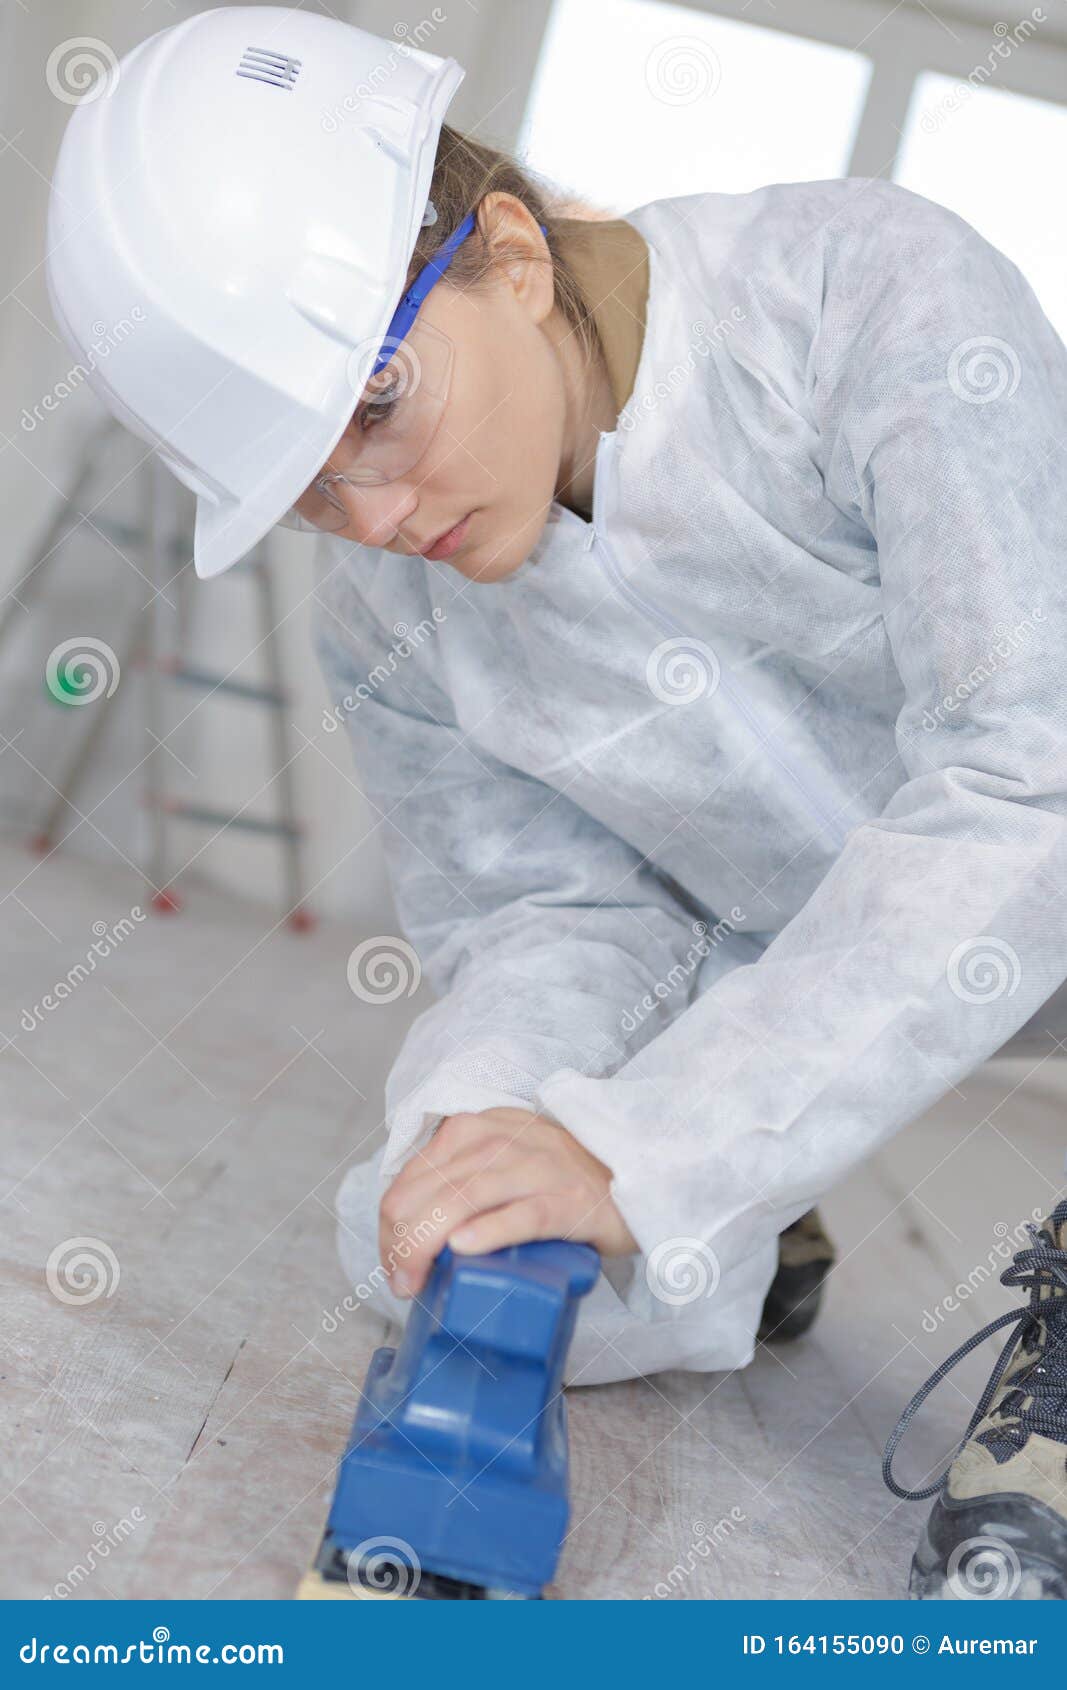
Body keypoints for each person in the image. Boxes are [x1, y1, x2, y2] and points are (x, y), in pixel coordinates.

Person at [45, 5, 1067, 1601]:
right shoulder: (387, 614)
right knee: (498, 1189)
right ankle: (759, 1194)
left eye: (378, 406)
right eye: (310, 485)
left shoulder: (872, 297)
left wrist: (658, 1144)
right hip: (777, 947)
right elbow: (544, 909)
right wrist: (498, 1132)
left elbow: (1029, 778)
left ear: (510, 255)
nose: (372, 515)